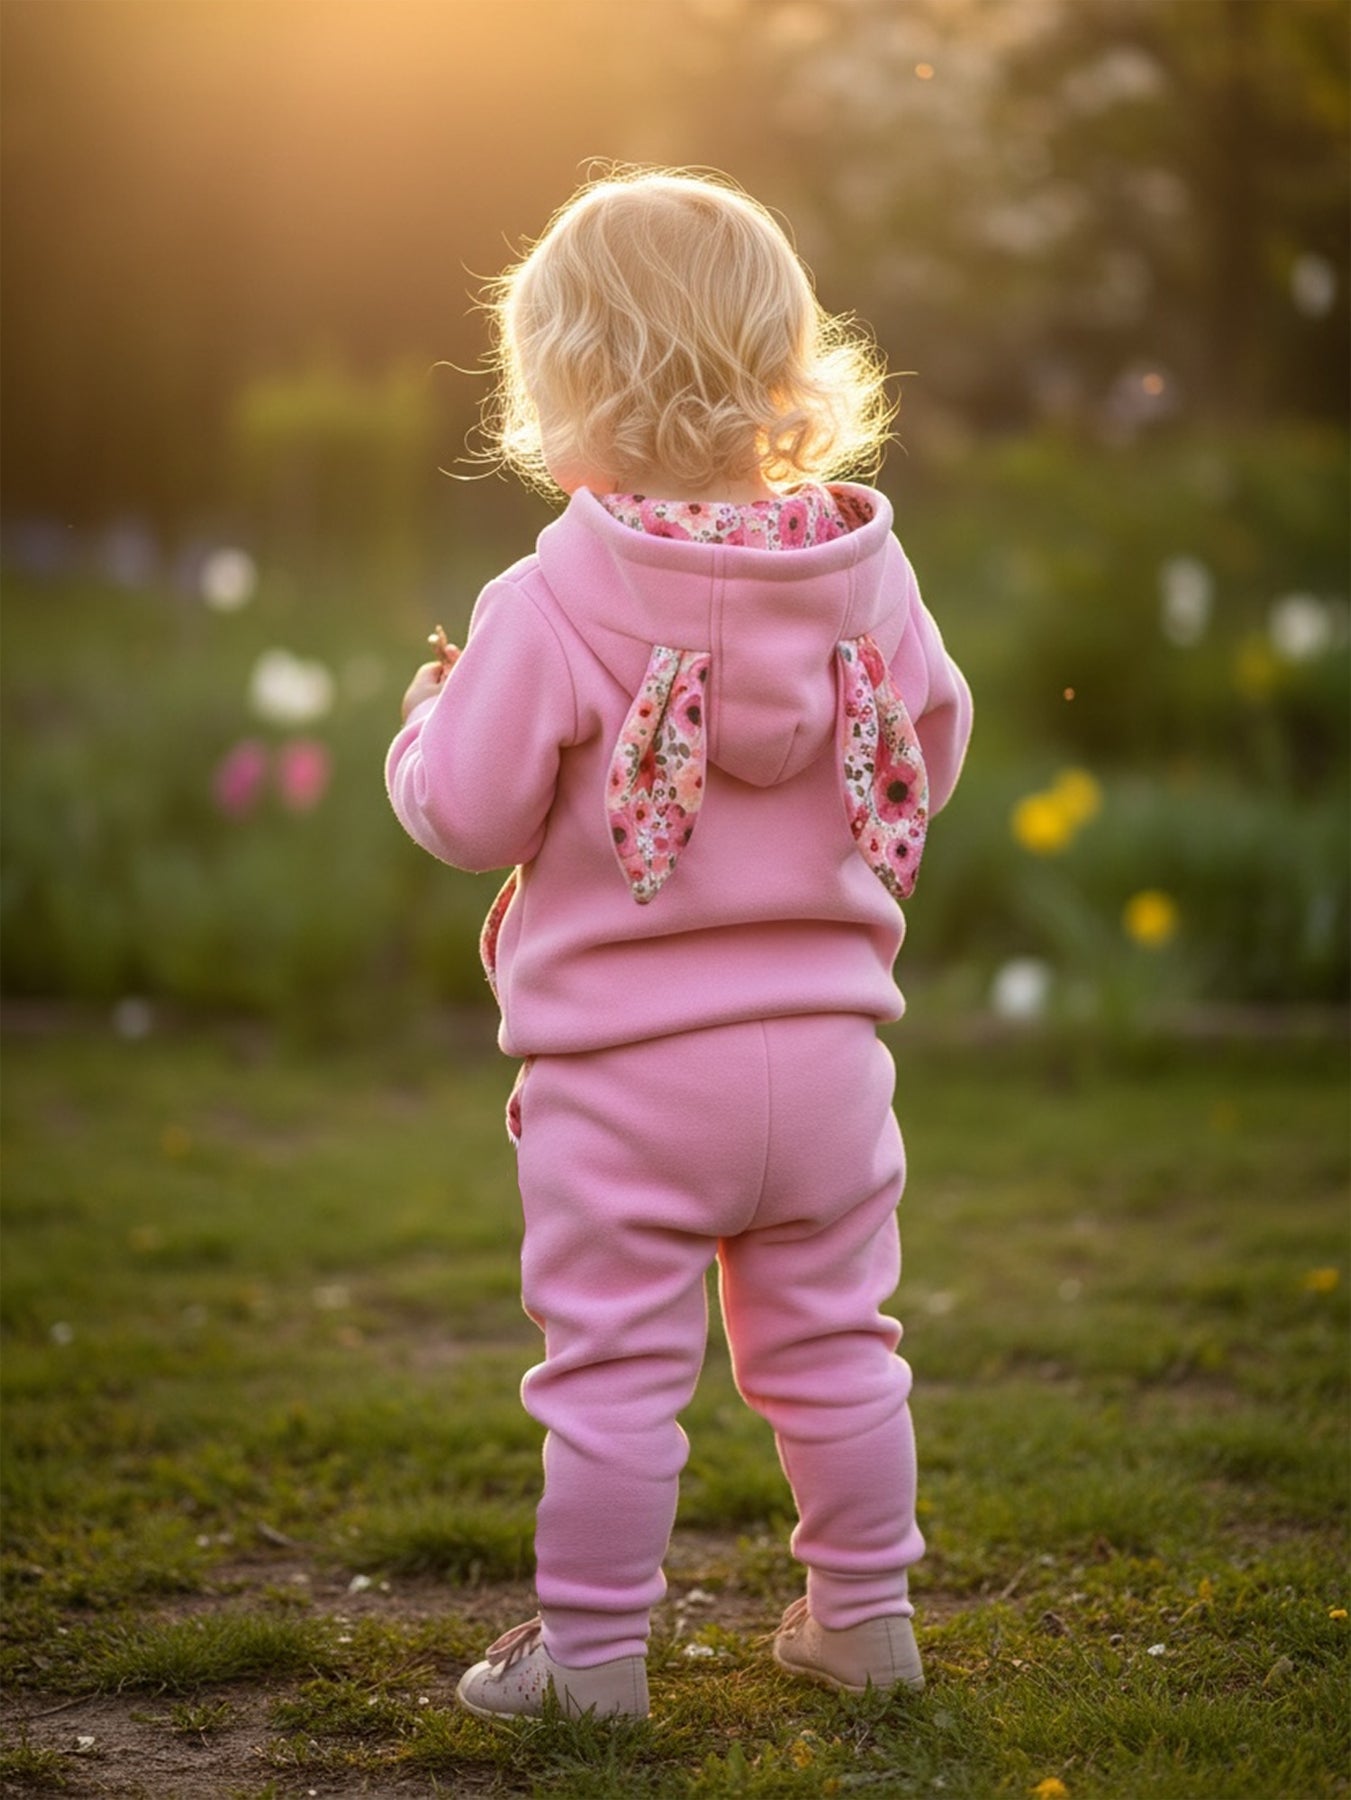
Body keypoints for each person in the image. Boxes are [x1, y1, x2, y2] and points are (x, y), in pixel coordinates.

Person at [386, 167, 972, 1722]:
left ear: (569, 380)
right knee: (841, 1349)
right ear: (781, 363)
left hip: (627, 1081)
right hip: (831, 1065)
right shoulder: (862, 564)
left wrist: (430, 721)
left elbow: (467, 809)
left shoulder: (559, 591)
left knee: (614, 1385)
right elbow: (930, 744)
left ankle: (588, 1668)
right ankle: (866, 1623)